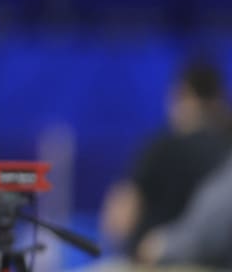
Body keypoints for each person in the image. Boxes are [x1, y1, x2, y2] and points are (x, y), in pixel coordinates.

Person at [98, 61, 232, 262]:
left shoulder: (162, 146)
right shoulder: (226, 146)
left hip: (156, 260)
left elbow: (119, 221)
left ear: (181, 94)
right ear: (218, 100)